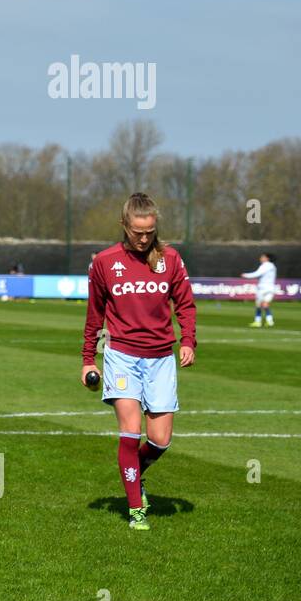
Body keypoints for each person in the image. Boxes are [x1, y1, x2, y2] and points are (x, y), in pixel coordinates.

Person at [82, 193, 196, 531]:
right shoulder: (105, 261)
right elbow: (94, 315)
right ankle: (136, 511)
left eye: (149, 231)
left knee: (160, 439)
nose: (143, 238)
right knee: (130, 432)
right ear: (124, 226)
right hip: (122, 357)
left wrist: (188, 340)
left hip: (161, 357)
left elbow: (186, 305)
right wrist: (88, 358)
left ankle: (135, 475)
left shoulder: (171, 259)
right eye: (137, 231)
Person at [242, 253, 277, 327]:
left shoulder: (265, 265)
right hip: (271, 287)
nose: (261, 258)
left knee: (259, 305)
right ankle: (270, 321)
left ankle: (258, 322)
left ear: (267, 258)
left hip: (262, 288)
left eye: (262, 257)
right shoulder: (273, 266)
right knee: (265, 304)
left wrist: (246, 275)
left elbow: (257, 273)